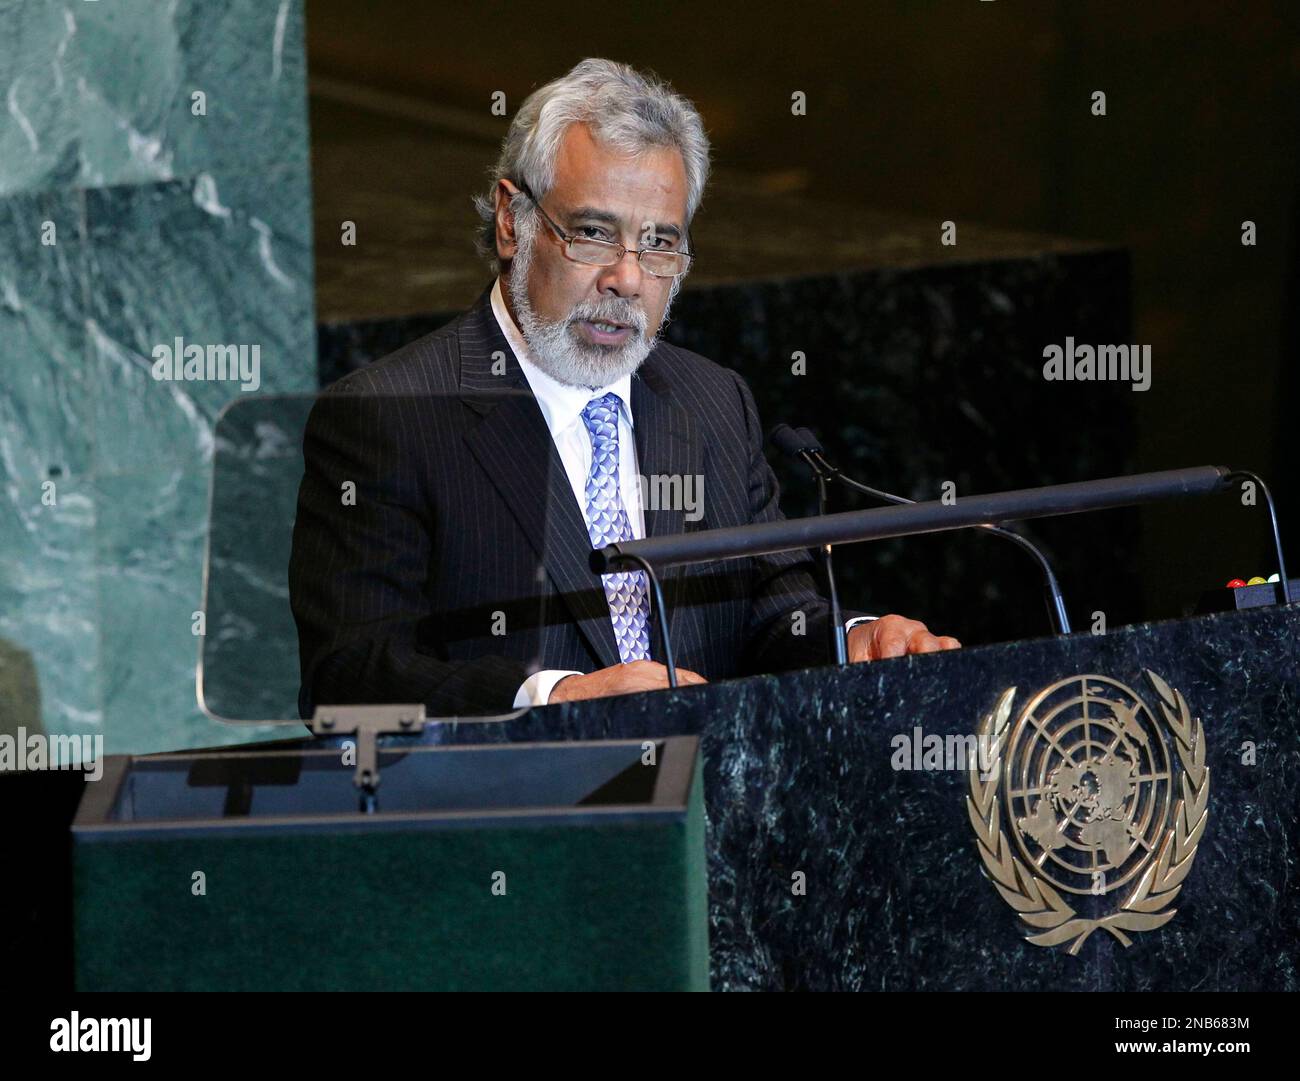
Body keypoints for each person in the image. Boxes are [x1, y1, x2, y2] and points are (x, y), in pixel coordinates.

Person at [289, 58, 958, 719]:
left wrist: (850, 642)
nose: (628, 279)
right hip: (525, 813)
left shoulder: (714, 403)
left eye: (659, 243)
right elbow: (348, 677)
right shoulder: (390, 417)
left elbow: (772, 615)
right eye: (592, 233)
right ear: (510, 220)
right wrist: (553, 700)